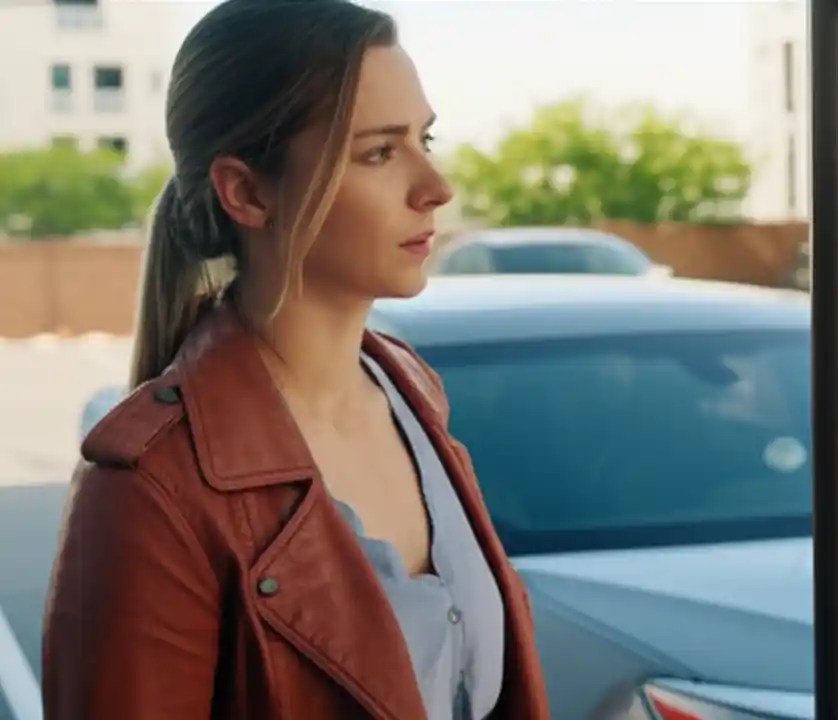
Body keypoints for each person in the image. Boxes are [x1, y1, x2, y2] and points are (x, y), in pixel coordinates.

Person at [40, 1, 548, 718]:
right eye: (378, 152)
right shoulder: (149, 487)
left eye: (424, 138)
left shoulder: (413, 394)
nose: (436, 187)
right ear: (247, 192)